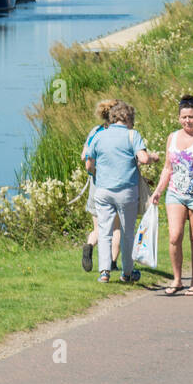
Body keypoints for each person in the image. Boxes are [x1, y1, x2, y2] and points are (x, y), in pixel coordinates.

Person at [85, 101, 160, 284]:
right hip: (126, 190)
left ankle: (104, 272)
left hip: (103, 190)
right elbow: (142, 158)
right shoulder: (132, 135)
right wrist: (153, 158)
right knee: (127, 232)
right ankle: (127, 272)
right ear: (128, 119)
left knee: (104, 231)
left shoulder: (99, 136)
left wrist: (96, 173)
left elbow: (89, 163)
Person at [149, 96, 193, 295]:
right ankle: (176, 279)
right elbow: (167, 168)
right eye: (184, 117)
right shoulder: (172, 137)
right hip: (175, 193)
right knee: (175, 236)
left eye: (191, 117)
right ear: (178, 118)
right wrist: (158, 191)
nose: (187, 121)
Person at [80, 99, 116, 273]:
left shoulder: (95, 131)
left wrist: (94, 172)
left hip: (96, 184)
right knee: (116, 227)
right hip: (115, 184)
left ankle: (88, 246)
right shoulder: (121, 133)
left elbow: (84, 157)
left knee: (98, 227)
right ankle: (113, 263)